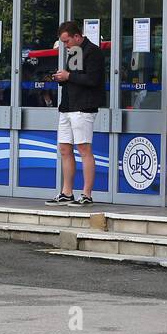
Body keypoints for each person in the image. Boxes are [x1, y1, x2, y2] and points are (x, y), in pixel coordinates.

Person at [48, 20, 104, 206]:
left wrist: (68, 76)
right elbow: (74, 78)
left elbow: (93, 79)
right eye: (63, 42)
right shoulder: (74, 52)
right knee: (64, 148)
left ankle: (86, 194)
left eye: (67, 41)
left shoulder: (92, 51)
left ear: (77, 36)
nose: (65, 45)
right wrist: (62, 78)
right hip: (67, 105)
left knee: (83, 149)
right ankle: (67, 192)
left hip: (84, 107)